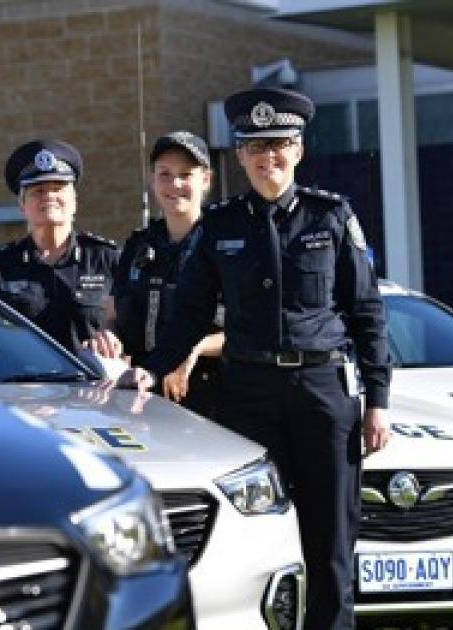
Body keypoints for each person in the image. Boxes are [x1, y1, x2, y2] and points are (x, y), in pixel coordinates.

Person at [118, 87, 392, 630]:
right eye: (256, 147)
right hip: (249, 398)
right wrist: (152, 368)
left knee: (331, 539)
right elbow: (190, 313)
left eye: (280, 145)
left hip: (321, 394)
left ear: (298, 150)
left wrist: (378, 402)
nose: (269, 157)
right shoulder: (219, 227)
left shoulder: (331, 218)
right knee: (252, 533)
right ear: (239, 156)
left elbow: (367, 313)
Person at [0, 139, 123, 360]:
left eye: (58, 188)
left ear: (74, 201)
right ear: (22, 206)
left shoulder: (107, 259)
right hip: (21, 390)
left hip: (94, 388)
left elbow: (134, 328)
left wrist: (112, 336)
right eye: (38, 191)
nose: (49, 197)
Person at [113, 131, 224, 418]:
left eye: (186, 174)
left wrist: (194, 349)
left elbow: (247, 328)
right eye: (165, 174)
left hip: (208, 391)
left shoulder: (225, 244)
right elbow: (114, 314)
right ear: (152, 180)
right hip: (142, 394)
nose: (175, 184)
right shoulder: (139, 245)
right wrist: (107, 337)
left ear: (206, 180)